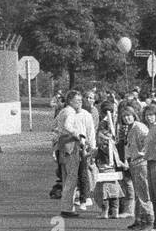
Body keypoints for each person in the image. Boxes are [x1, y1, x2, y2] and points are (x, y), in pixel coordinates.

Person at [54, 90, 96, 218]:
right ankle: (67, 208)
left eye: (80, 100)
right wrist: (78, 135)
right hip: (71, 146)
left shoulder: (63, 111)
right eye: (77, 100)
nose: (80, 102)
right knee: (71, 178)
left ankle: (67, 206)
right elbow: (67, 126)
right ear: (70, 101)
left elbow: (56, 126)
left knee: (67, 177)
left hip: (63, 146)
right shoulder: (70, 112)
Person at [124, 107, 156, 231]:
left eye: (129, 115)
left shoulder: (139, 127)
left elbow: (146, 141)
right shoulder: (131, 127)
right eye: (124, 116)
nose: (127, 118)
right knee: (139, 193)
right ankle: (139, 219)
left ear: (134, 115)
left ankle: (149, 220)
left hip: (141, 162)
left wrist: (141, 153)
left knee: (144, 192)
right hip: (135, 162)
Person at [94, 115, 125, 218]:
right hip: (111, 172)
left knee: (105, 194)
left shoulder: (104, 148)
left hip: (104, 172)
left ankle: (105, 212)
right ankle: (114, 212)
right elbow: (117, 160)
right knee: (114, 193)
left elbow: (92, 157)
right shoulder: (110, 148)